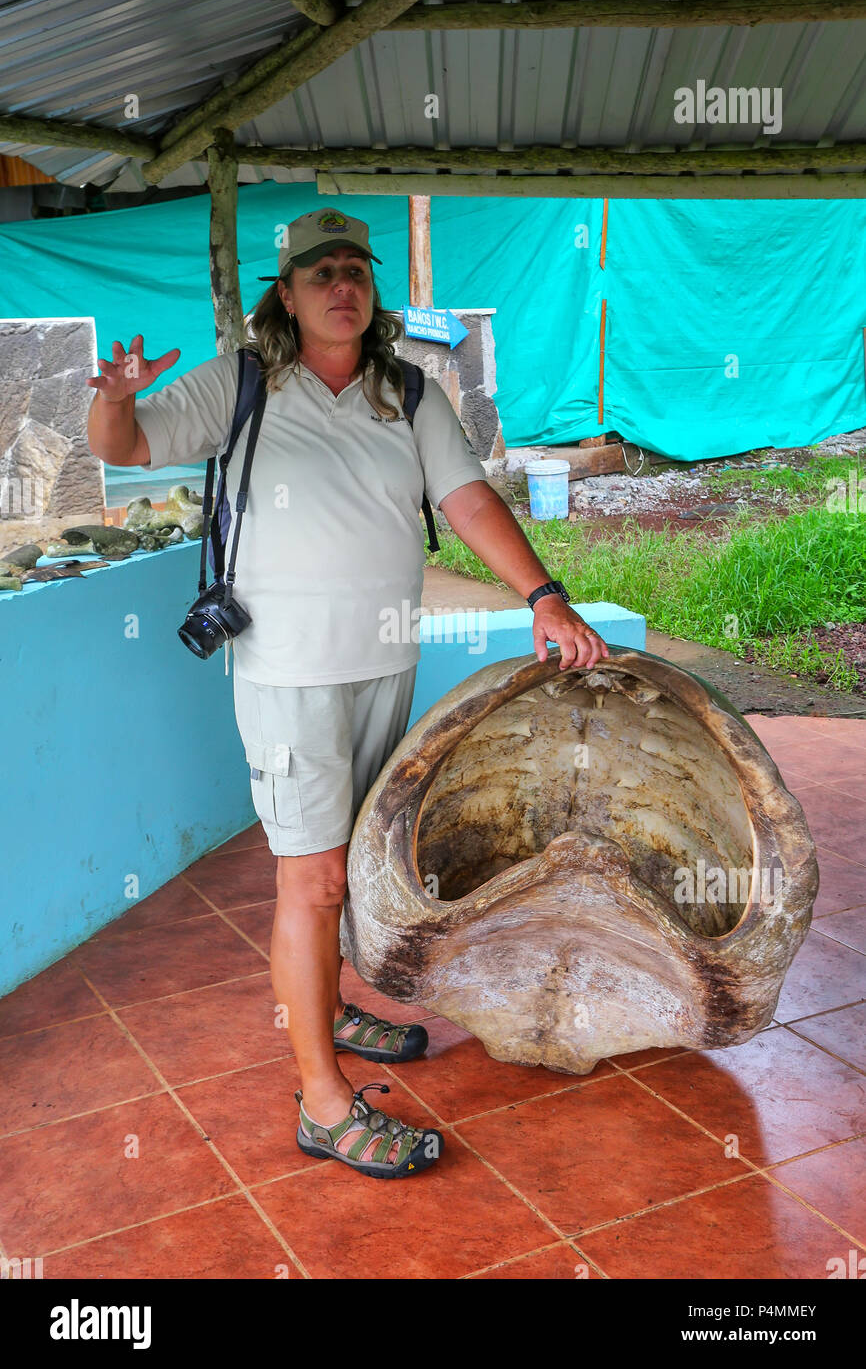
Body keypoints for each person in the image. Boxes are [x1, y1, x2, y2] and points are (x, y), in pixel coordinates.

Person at [87, 206, 610, 1180]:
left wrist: (542, 595)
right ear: (284, 294)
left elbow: (465, 500)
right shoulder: (240, 381)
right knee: (312, 878)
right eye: (318, 272)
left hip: (383, 664)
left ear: (371, 294)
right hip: (287, 675)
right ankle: (324, 1104)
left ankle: (326, 1006)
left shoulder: (406, 393)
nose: (341, 286)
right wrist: (114, 398)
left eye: (355, 272)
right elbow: (127, 446)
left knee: (353, 860)